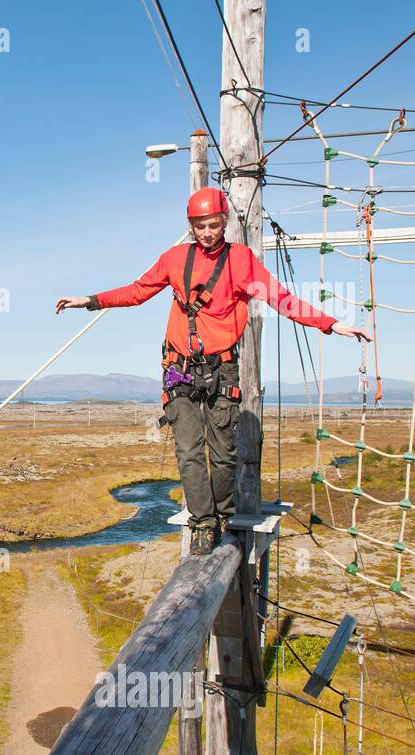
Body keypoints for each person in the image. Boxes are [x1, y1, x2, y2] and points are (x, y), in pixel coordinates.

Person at [55, 186, 370, 555]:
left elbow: (282, 300)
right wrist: (90, 301)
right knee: (189, 450)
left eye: (214, 224)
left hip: (222, 370)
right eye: (200, 226)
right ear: (191, 226)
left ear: (224, 223)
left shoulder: (241, 262)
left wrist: (330, 324)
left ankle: (222, 515)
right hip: (180, 370)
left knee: (223, 454)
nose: (207, 232)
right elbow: (138, 291)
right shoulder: (174, 260)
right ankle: (203, 522)